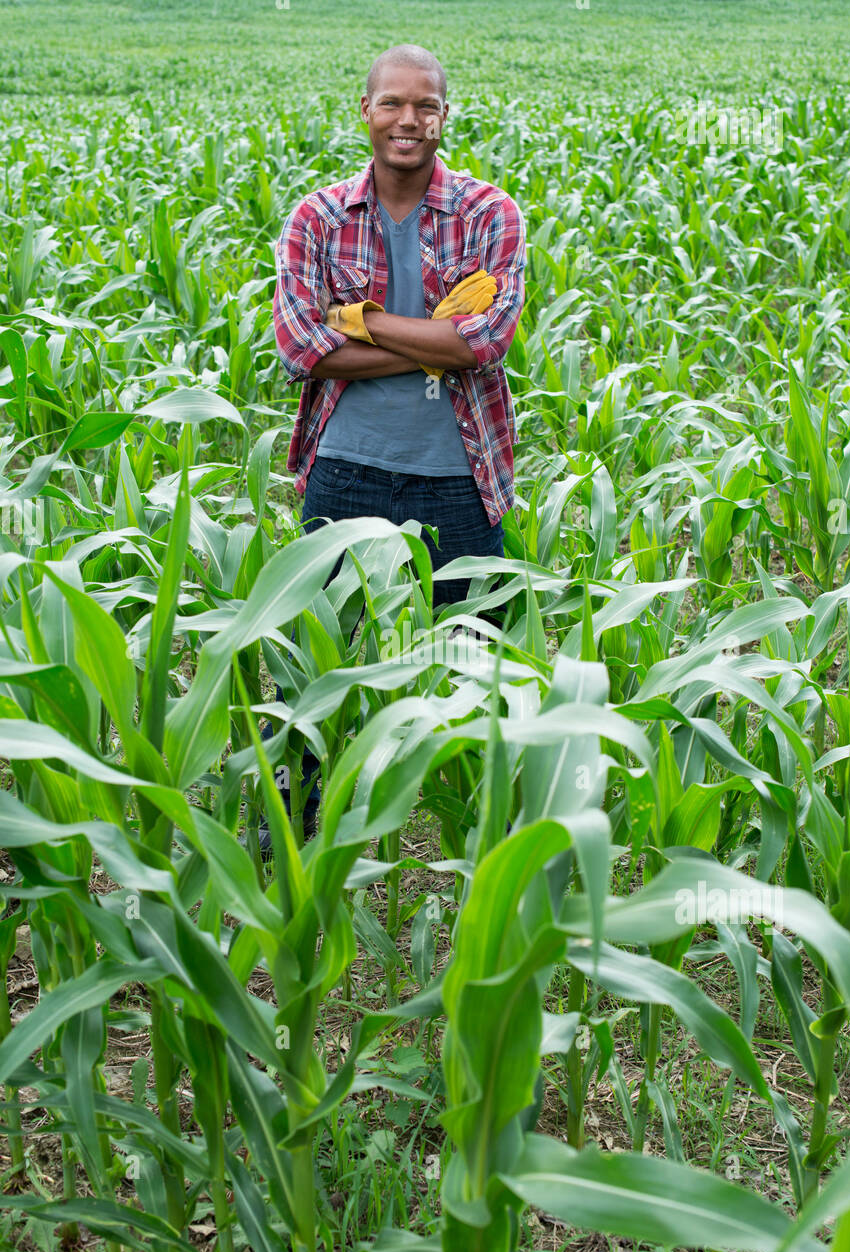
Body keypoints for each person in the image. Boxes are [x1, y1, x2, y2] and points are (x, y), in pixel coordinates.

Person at [259, 43, 526, 855]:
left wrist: (360, 319)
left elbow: (485, 342)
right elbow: (302, 348)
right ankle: (293, 830)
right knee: (314, 659)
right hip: (344, 467)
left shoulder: (488, 213)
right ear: (365, 110)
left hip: (459, 473)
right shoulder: (317, 216)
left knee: (480, 668)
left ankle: (486, 841)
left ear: (445, 114)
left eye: (426, 106)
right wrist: (434, 338)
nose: (408, 120)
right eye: (392, 104)